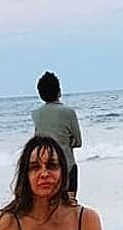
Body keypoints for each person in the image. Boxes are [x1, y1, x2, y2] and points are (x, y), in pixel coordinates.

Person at [31, 71, 84, 200]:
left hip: (47, 168)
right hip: (67, 166)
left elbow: (38, 141)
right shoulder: (68, 112)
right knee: (70, 206)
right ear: (59, 91)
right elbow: (78, 141)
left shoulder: (36, 114)